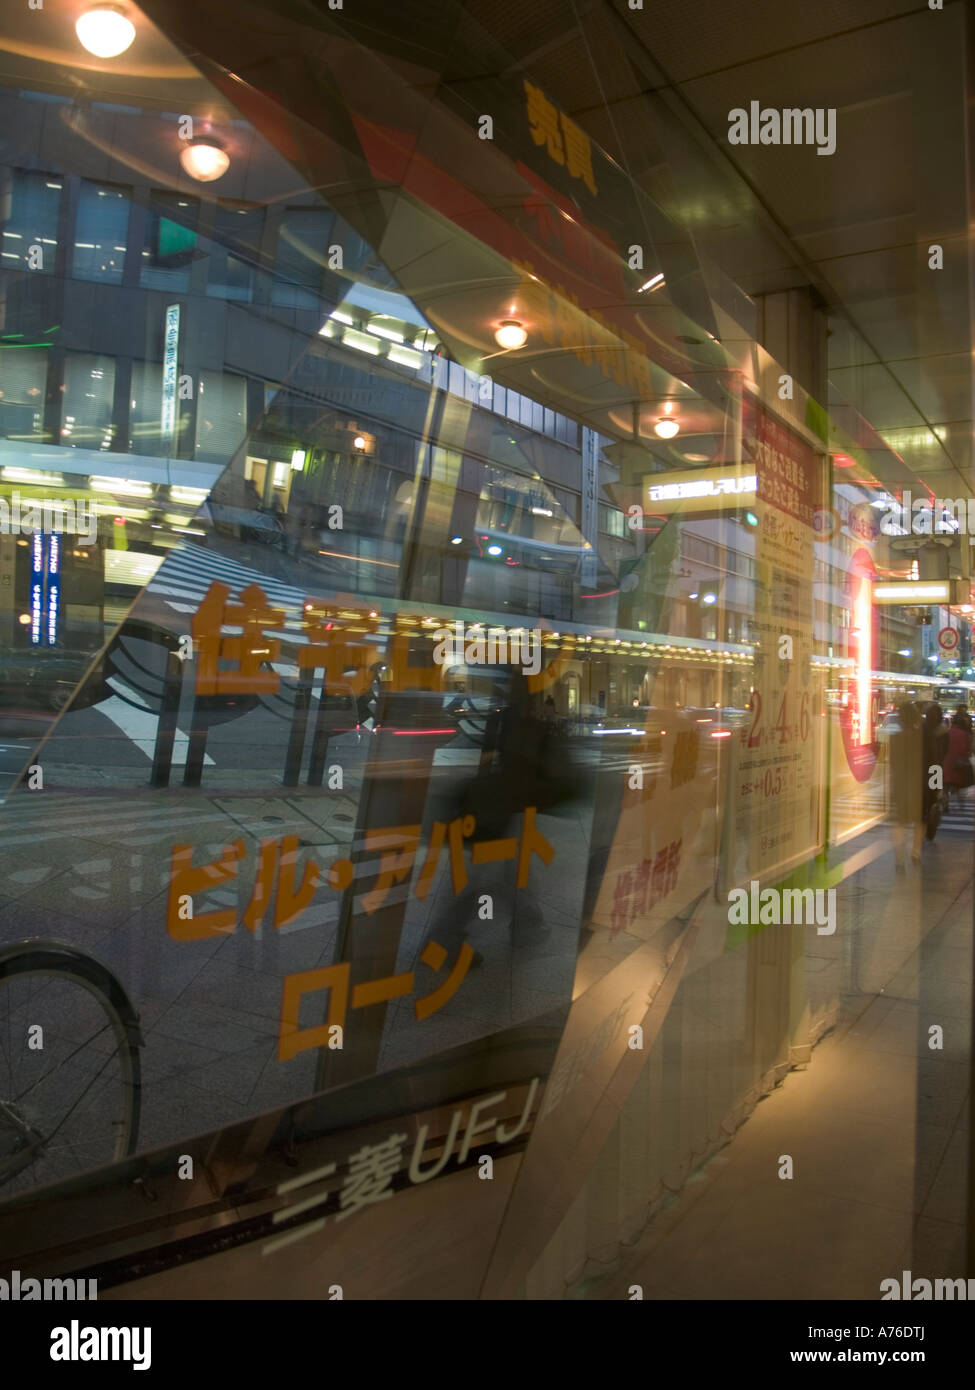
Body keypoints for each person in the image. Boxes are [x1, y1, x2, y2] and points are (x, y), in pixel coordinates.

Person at [889, 700, 923, 869]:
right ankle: (915, 852)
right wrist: (936, 786)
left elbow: (892, 765)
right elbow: (934, 764)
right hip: (921, 786)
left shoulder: (895, 739)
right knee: (920, 820)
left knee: (900, 821)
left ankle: (899, 857)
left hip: (901, 785)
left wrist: (892, 788)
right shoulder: (923, 738)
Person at [943, 707, 974, 809]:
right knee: (958, 783)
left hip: (946, 761)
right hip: (958, 762)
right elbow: (967, 750)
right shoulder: (964, 734)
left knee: (945, 784)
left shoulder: (947, 733)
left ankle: (945, 803)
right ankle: (960, 802)